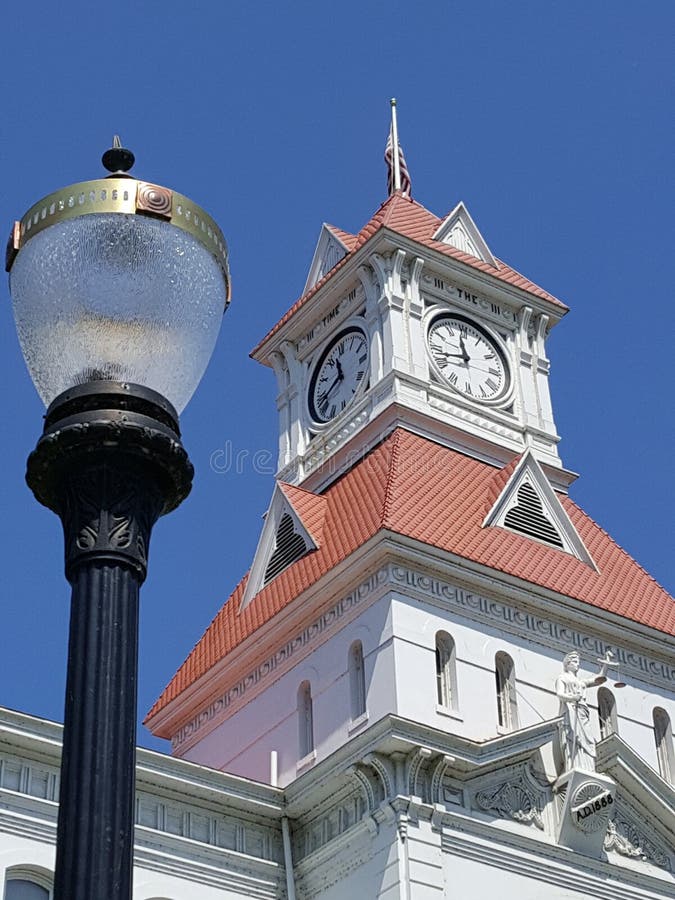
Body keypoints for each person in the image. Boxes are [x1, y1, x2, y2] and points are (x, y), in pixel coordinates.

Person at [555, 651, 609, 772]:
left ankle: (588, 767)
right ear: (567, 663)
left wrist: (606, 664)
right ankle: (574, 765)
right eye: (575, 662)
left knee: (587, 738)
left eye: (578, 662)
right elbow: (559, 694)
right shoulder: (562, 678)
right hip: (570, 712)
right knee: (574, 737)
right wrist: (572, 698)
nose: (577, 665)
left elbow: (599, 679)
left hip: (582, 713)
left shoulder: (581, 682)